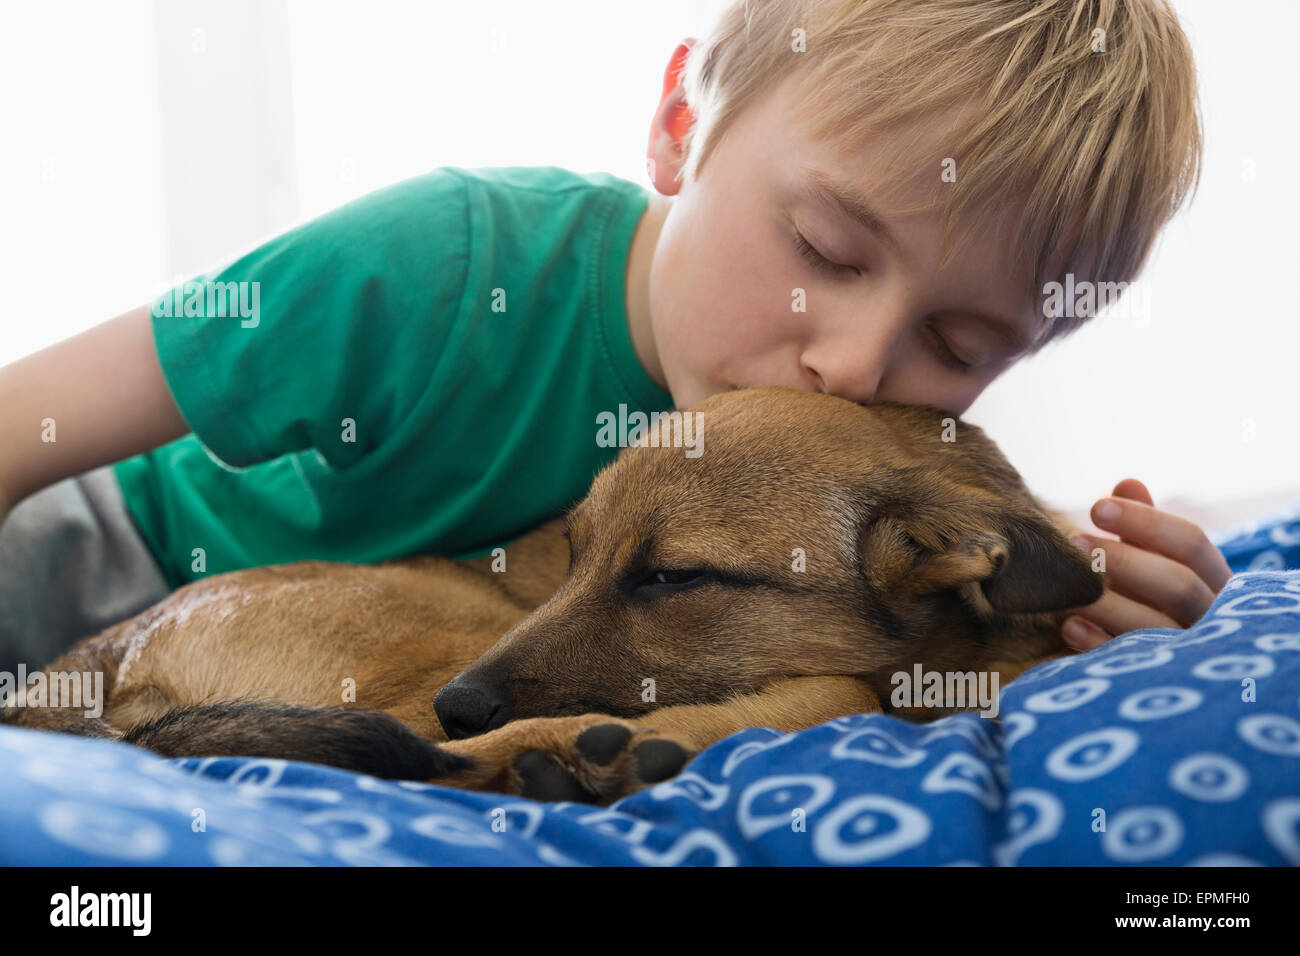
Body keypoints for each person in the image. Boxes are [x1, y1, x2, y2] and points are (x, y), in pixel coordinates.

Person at [0, 0, 1230, 675]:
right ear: (678, 125)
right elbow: (25, 420)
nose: (856, 364)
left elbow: (919, 549)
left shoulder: (860, 440)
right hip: (102, 546)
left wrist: (1097, 586)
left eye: (962, 344)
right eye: (823, 249)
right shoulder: (439, 265)